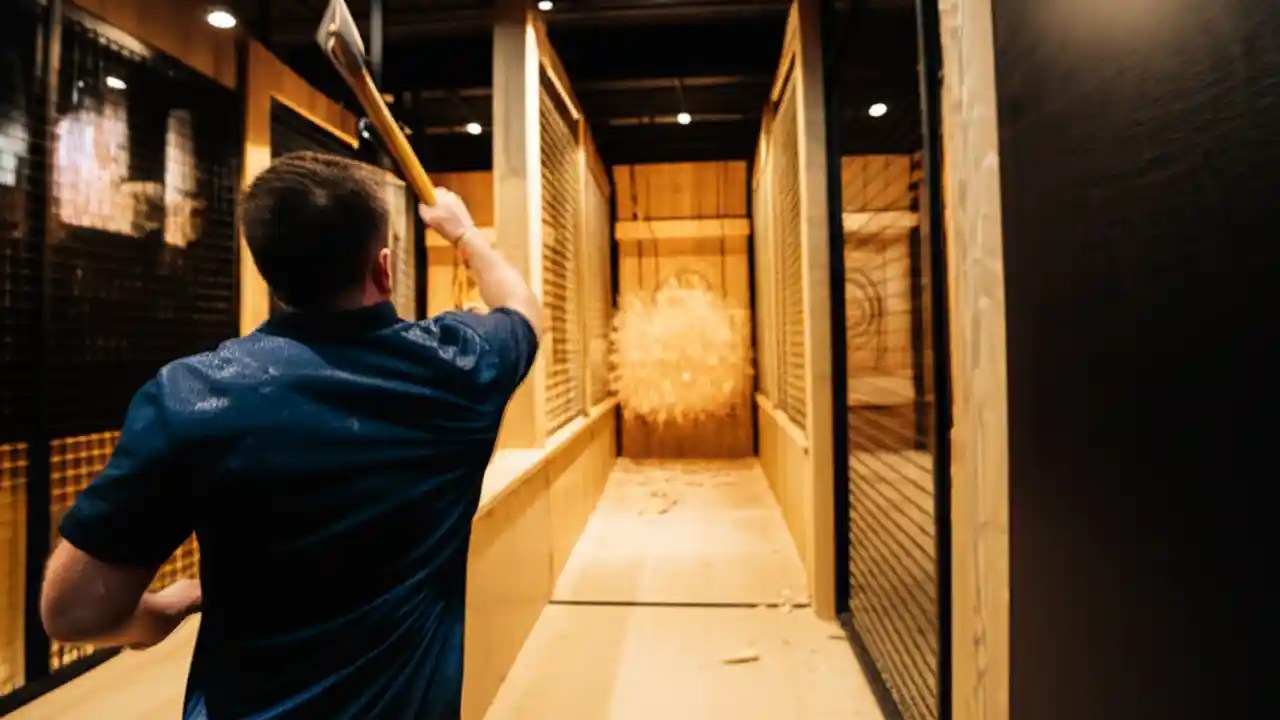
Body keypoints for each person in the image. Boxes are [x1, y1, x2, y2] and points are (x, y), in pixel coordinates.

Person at [39, 151, 541, 719]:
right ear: (383, 266)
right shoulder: (460, 370)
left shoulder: (190, 398)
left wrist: (157, 612)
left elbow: (74, 614)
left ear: (270, 273)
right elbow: (521, 307)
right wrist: (465, 232)